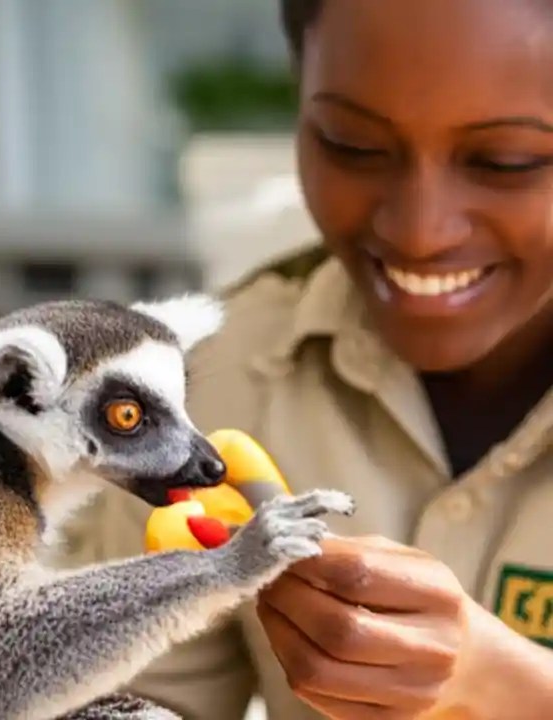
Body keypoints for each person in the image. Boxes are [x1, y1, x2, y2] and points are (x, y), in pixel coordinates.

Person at [56, 0, 553, 718]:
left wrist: (500, 682)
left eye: (505, 161)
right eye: (353, 145)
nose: (419, 231)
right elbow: (126, 694)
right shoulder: (207, 381)